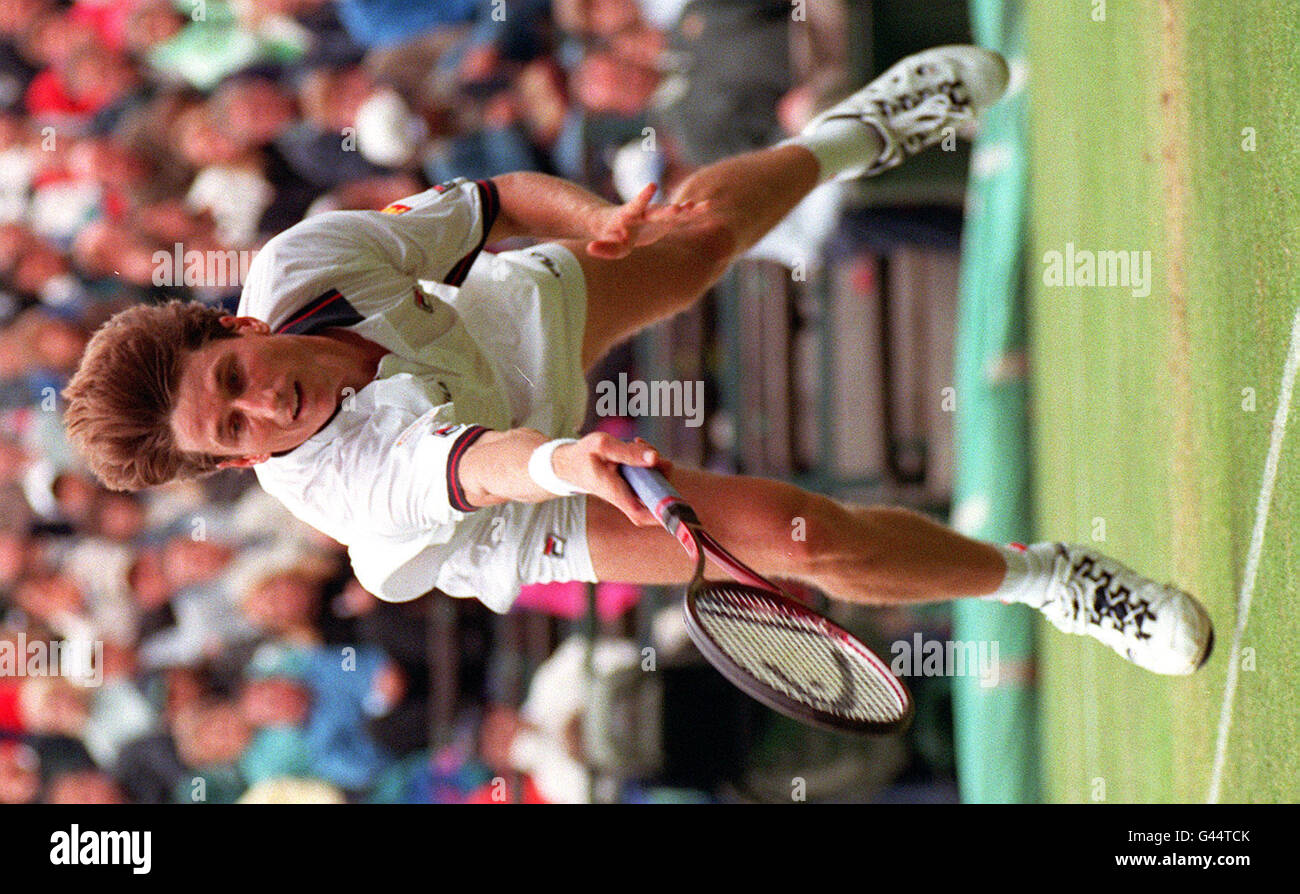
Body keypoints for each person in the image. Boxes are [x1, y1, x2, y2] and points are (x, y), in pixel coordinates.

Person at [61, 46, 1213, 676]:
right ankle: (1055, 580)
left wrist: (592, 221)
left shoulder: (309, 259)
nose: (261, 405)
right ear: (229, 466)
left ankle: (862, 129)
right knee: (802, 539)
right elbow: (479, 467)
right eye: (234, 431)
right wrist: (575, 464)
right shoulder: (343, 485)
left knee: (692, 238)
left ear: (238, 330)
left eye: (231, 379)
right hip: (508, 509)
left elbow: (499, 198)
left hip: (496, 334)